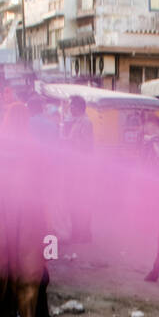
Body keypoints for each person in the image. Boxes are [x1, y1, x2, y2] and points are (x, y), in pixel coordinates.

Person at [63, 95, 95, 243]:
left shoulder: (86, 123)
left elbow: (87, 147)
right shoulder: (76, 122)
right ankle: (78, 232)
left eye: (71, 106)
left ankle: (82, 233)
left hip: (82, 168)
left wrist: (69, 143)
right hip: (75, 166)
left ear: (78, 108)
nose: (70, 109)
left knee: (80, 200)